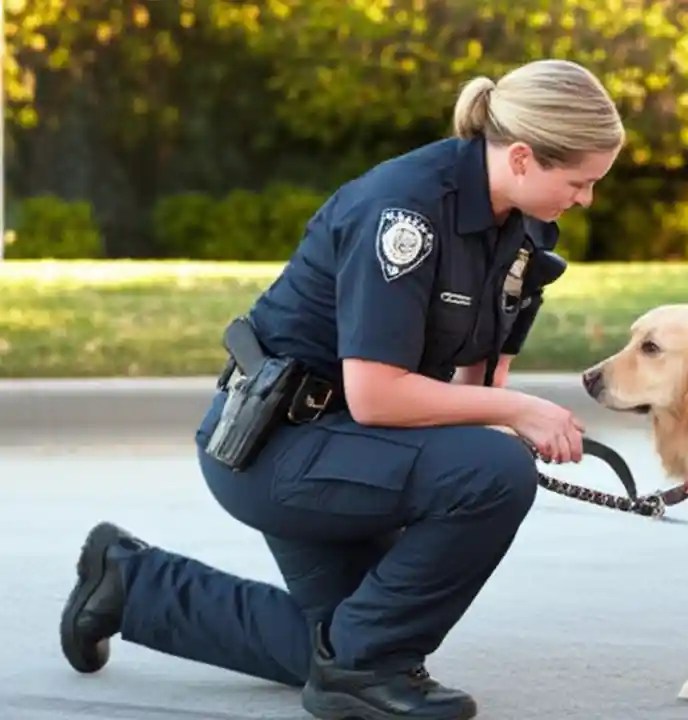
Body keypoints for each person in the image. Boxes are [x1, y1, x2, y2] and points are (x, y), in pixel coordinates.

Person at [59, 58, 625, 720]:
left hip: (356, 449)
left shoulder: (524, 227)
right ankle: (364, 673)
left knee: (343, 636)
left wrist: (500, 423)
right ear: (523, 157)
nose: (586, 199)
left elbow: (481, 377)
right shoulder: (405, 213)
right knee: (490, 479)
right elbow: (377, 395)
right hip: (277, 447)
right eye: (579, 181)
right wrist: (518, 417)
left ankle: (129, 583)